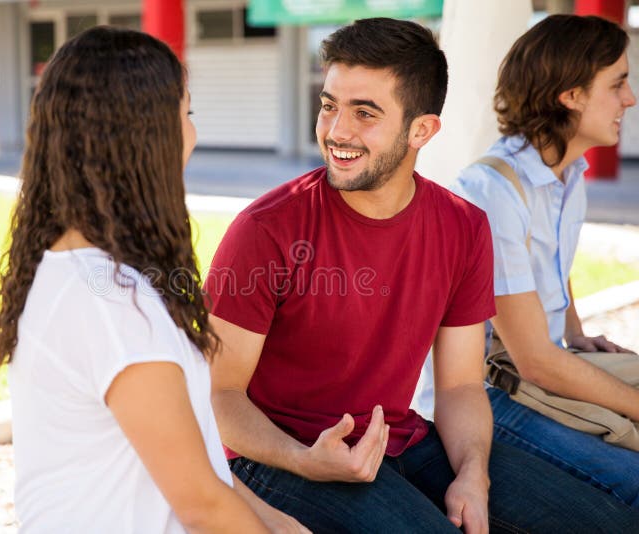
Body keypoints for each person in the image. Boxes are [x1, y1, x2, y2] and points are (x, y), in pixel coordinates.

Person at [204, 17, 639, 533]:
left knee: (607, 521)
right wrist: (300, 458)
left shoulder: (463, 226)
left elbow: (457, 385)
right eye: (329, 105)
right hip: (278, 457)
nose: (336, 131)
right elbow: (217, 394)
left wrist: (473, 475)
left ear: (422, 130)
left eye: (364, 113)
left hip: (401, 437)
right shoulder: (266, 229)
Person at [0, 26, 307, 533]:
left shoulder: (77, 270)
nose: (193, 134)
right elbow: (202, 505)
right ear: (147, 138)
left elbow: (196, 460)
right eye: (187, 115)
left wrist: (280, 524)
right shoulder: (113, 304)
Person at [449, 14, 639, 508]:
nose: (630, 99)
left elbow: (553, 258)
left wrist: (575, 330)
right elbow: (533, 360)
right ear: (570, 95)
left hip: (545, 364)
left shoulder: (566, 170)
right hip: (495, 391)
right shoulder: (493, 190)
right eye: (618, 83)